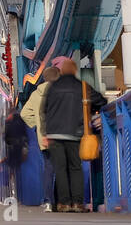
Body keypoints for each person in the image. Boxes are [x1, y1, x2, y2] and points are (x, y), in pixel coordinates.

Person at [39, 58, 106, 212]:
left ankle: (63, 203)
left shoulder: (53, 88)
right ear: (75, 70)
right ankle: (77, 203)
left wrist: (46, 132)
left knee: (60, 169)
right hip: (74, 134)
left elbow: (44, 110)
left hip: (55, 135)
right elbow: (101, 101)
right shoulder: (82, 86)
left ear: (61, 71)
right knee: (75, 168)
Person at [20, 66, 61, 211]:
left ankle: (49, 201)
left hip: (44, 137)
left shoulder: (36, 94)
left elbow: (24, 113)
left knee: (48, 169)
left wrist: (36, 125)